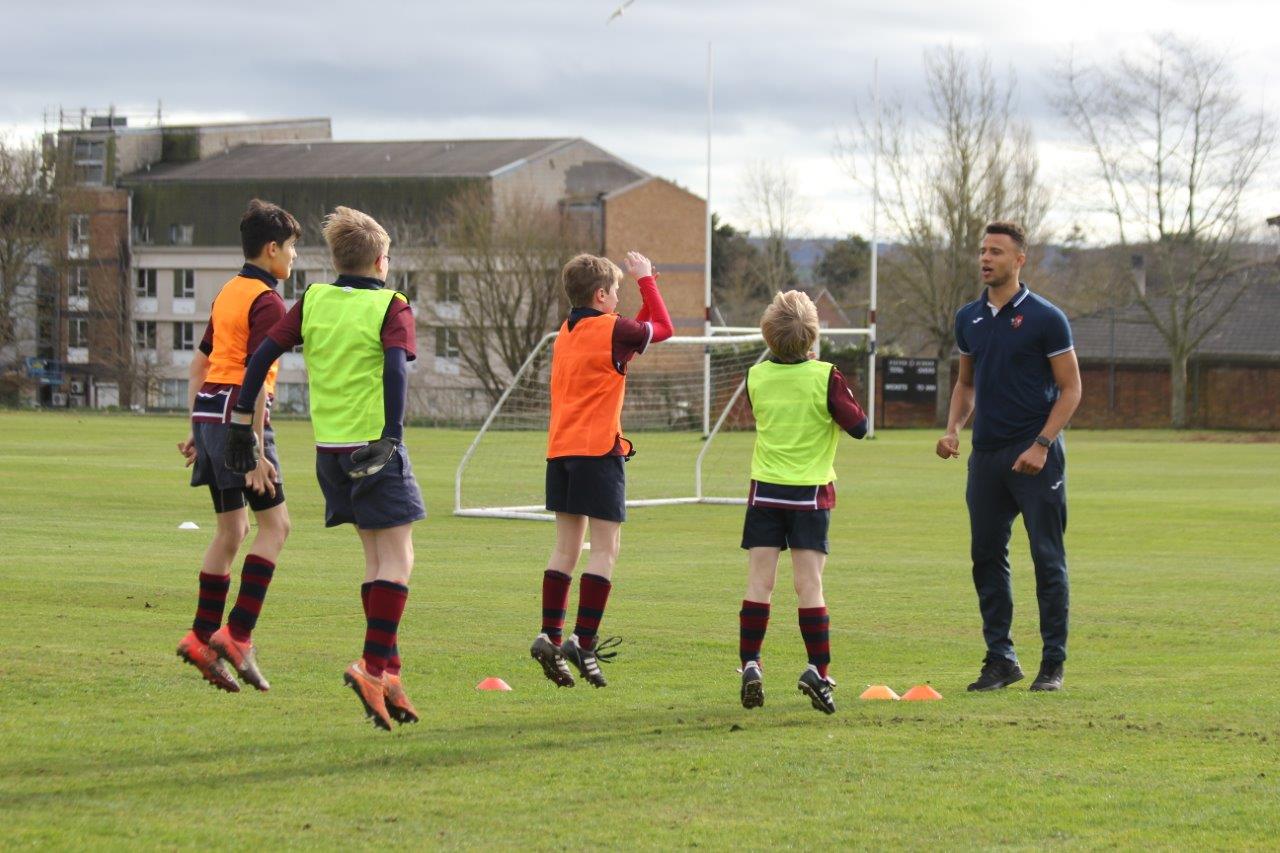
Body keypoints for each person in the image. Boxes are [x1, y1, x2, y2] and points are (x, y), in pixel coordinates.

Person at [229, 206, 424, 731]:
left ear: (337, 258)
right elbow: (394, 372)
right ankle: (372, 666)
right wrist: (393, 437)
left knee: (375, 558)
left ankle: (392, 675)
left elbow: (263, 354)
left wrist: (241, 420)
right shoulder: (392, 304)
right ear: (382, 261)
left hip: (330, 453)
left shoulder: (313, 299)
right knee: (400, 556)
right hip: (373, 447)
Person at [937, 220, 1082, 692]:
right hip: (988, 459)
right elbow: (967, 383)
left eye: (996, 251)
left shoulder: (1046, 318)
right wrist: (954, 428)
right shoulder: (968, 318)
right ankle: (1001, 659)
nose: (986, 258)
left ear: (1019, 260)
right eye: (982, 250)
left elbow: (1071, 389)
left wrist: (1041, 445)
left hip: (1037, 458)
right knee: (985, 557)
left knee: (1047, 558)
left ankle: (1052, 665)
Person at [529, 251, 673, 689]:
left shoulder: (566, 333)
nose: (620, 298)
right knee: (606, 549)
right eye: (617, 291)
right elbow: (663, 328)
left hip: (561, 452)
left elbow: (636, 332)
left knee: (565, 548)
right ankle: (583, 640)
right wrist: (648, 280)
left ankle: (550, 635)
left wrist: (640, 290)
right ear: (601, 294)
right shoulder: (613, 328)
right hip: (598, 451)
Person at [175, 199, 298, 693]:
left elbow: (198, 366)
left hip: (209, 414)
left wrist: (194, 427)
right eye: (290, 249)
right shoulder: (268, 302)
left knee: (232, 530)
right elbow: (256, 379)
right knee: (277, 525)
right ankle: (238, 635)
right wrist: (259, 450)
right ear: (271, 250)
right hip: (239, 418)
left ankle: (201, 638)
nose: (292, 258)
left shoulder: (228, 291)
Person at [736, 290, 868, 715]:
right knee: (808, 586)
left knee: (760, 584)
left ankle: (751, 663)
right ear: (813, 336)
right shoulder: (826, 375)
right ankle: (817, 669)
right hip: (810, 493)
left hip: (765, 490)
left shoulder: (755, 377)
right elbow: (859, 426)